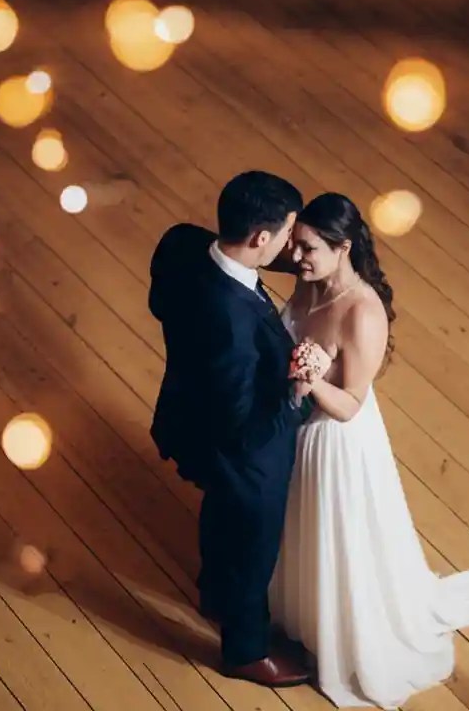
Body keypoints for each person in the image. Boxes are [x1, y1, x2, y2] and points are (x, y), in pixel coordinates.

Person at [269, 192, 469, 709]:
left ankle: (342, 632)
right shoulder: (307, 281)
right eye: (296, 246)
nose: (297, 257)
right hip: (294, 428)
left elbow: (351, 404)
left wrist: (309, 377)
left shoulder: (362, 312)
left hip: (333, 443)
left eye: (308, 248)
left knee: (337, 538)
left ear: (343, 247)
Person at [148, 170, 330, 687]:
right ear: (260, 239)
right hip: (245, 450)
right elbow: (242, 423)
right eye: (288, 233)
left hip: (190, 412)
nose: (293, 242)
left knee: (217, 512)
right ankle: (245, 650)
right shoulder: (232, 323)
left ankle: (212, 588)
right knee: (253, 542)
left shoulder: (184, 244)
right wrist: (296, 393)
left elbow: (162, 303)